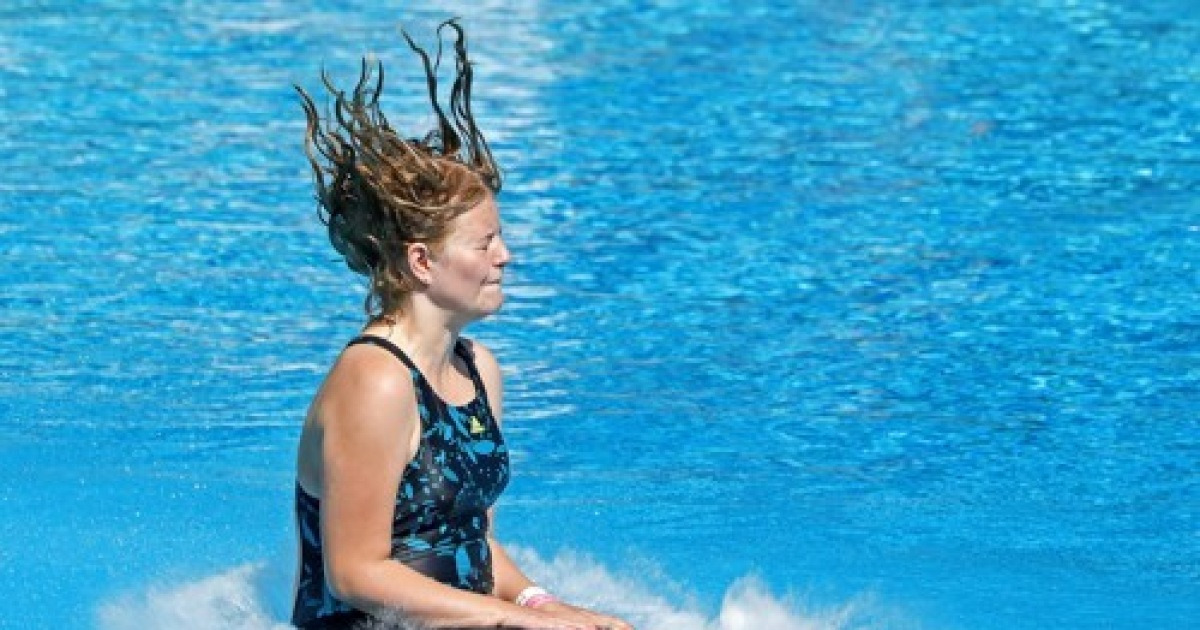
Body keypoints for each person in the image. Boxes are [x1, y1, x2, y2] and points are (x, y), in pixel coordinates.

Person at [290, 19, 634, 630]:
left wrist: (539, 603)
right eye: (485, 242)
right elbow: (354, 572)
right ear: (422, 261)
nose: (505, 256)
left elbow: (469, 542)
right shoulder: (374, 380)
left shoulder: (478, 371)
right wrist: (514, 623)